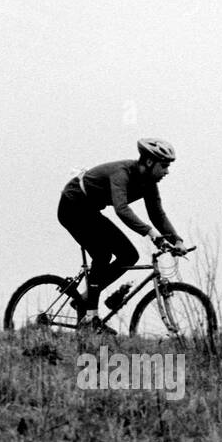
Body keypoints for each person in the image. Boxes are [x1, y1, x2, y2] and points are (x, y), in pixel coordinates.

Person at [57, 138, 186, 325]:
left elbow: (157, 214)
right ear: (149, 162)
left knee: (128, 255)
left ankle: (85, 299)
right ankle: (90, 317)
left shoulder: (149, 183)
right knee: (102, 255)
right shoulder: (122, 172)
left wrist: (177, 240)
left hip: (90, 210)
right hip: (72, 206)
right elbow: (121, 209)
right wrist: (151, 233)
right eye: (164, 166)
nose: (167, 172)